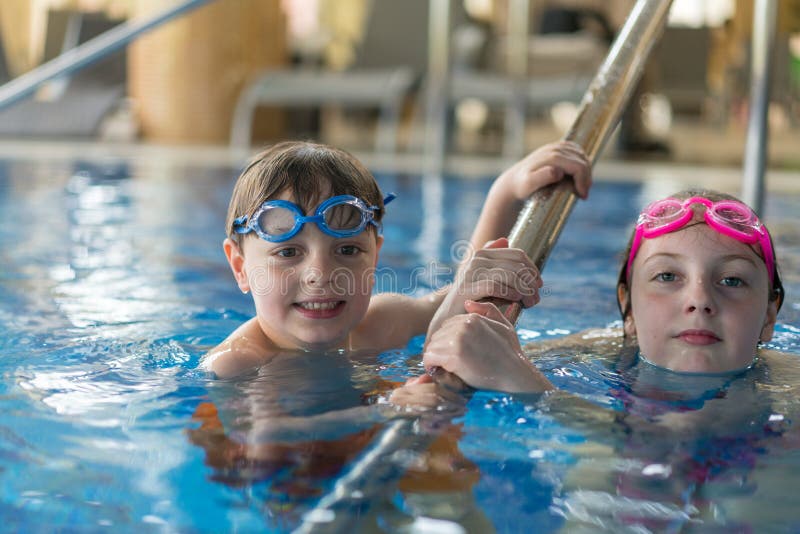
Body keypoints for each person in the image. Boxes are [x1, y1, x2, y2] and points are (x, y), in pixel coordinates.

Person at [200, 139, 590, 379]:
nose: (320, 275)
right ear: (240, 267)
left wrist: (505, 194)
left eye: (348, 250)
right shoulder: (238, 366)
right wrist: (391, 410)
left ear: (375, 258)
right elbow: (271, 451)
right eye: (288, 252)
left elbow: (459, 295)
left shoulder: (381, 323)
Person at [423, 187, 785, 389]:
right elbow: (434, 365)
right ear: (628, 309)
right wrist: (457, 300)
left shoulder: (789, 390)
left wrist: (527, 387)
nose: (700, 300)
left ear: (769, 315)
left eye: (732, 280)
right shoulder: (587, 354)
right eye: (667, 277)